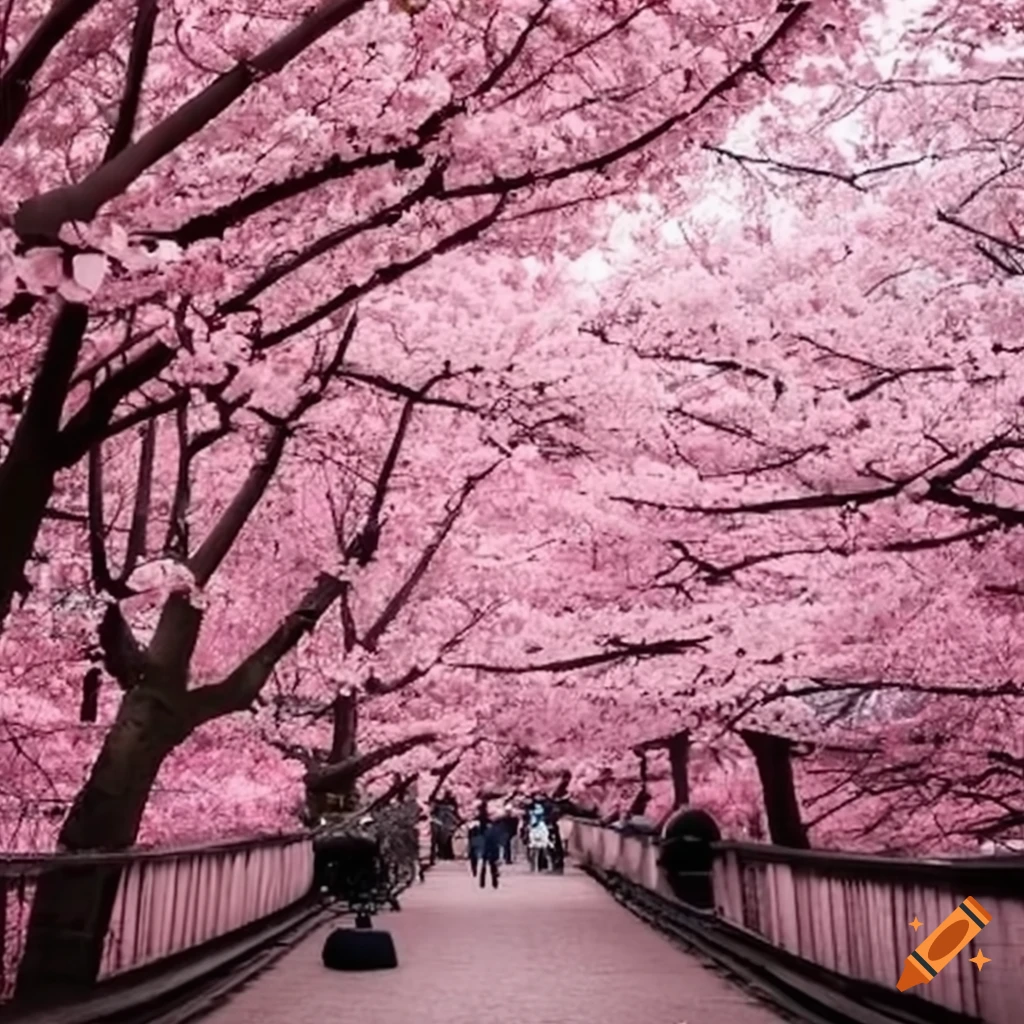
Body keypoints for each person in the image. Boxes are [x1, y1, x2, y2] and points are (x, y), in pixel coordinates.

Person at [480, 815, 503, 889]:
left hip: (487, 850)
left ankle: (482, 883)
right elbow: (498, 842)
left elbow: (484, 841)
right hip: (493, 850)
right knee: (493, 868)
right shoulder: (496, 831)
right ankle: (494, 883)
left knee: (484, 867)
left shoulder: (486, 831)